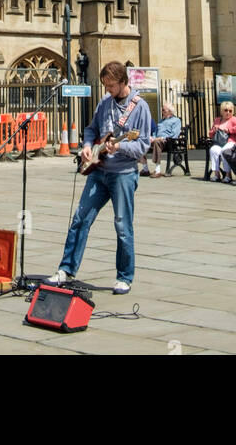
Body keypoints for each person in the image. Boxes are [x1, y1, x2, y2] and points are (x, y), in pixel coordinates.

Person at [49, 61, 153, 295]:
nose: (107, 90)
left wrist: (121, 148)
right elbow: (91, 130)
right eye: (105, 85)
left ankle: (124, 276)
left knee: (122, 226)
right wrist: (87, 146)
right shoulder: (105, 103)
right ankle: (66, 269)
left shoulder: (140, 107)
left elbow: (142, 145)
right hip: (98, 171)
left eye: (111, 86)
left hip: (123, 175)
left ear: (124, 82)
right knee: (80, 219)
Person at [143, 103, 181, 177]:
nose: (162, 111)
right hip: (157, 140)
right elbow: (155, 132)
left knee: (157, 142)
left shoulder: (176, 121)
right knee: (141, 143)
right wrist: (152, 138)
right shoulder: (161, 121)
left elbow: (174, 134)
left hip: (167, 142)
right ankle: (145, 169)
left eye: (163, 110)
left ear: (169, 111)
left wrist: (162, 138)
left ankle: (157, 170)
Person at [207, 102, 236, 181]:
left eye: (230, 111)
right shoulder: (217, 120)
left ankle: (228, 174)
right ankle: (216, 174)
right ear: (222, 111)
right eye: (226, 110)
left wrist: (229, 130)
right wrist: (214, 130)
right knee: (213, 150)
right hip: (219, 142)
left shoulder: (233, 119)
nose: (228, 112)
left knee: (224, 151)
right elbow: (210, 134)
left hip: (230, 141)